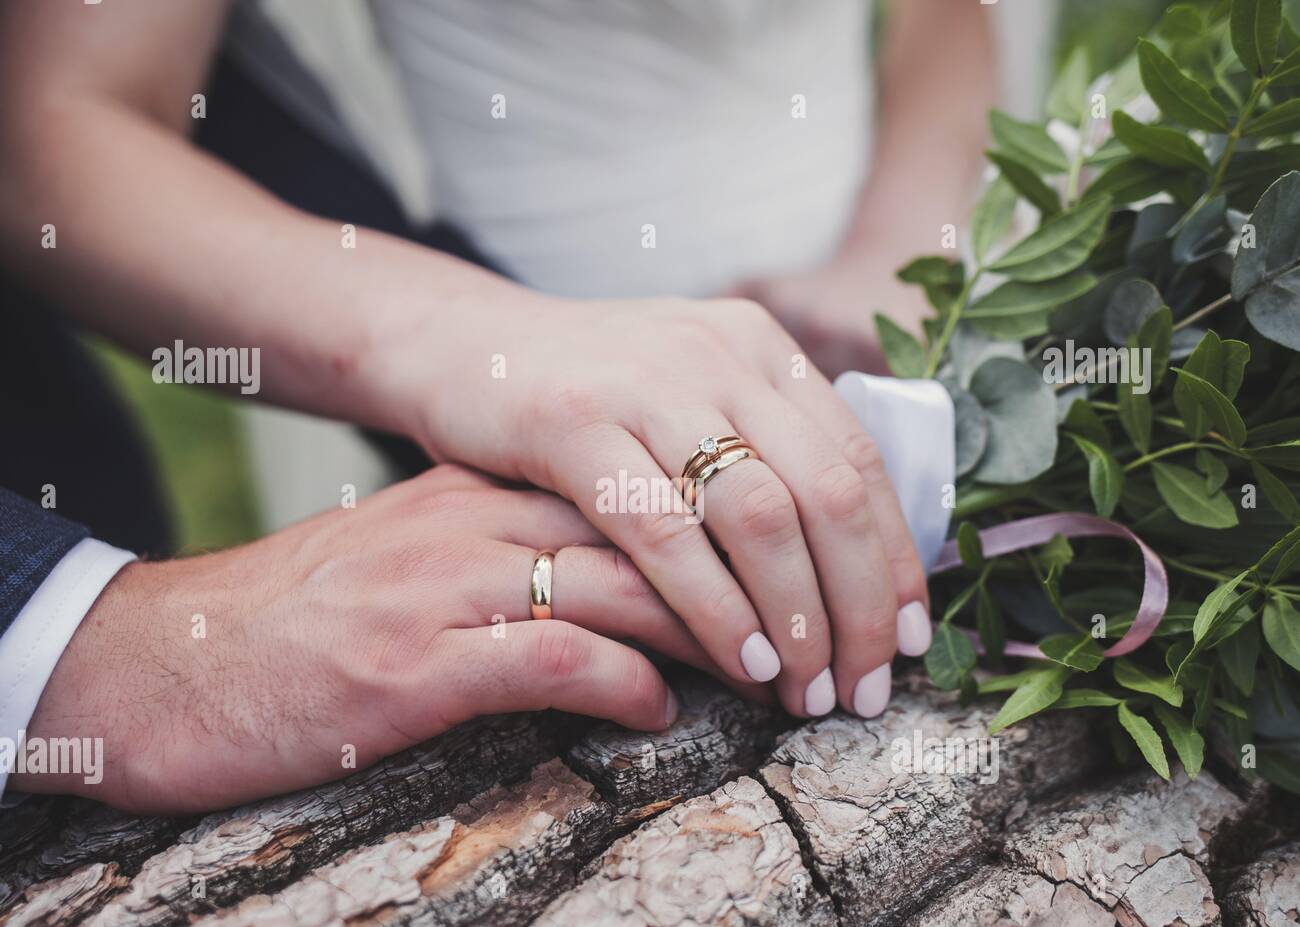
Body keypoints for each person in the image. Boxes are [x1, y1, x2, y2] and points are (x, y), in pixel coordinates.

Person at [0, 0, 998, 813]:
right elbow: (52, 116)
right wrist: (475, 341)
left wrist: (909, 248)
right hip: (521, 341)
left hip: (909, 307)